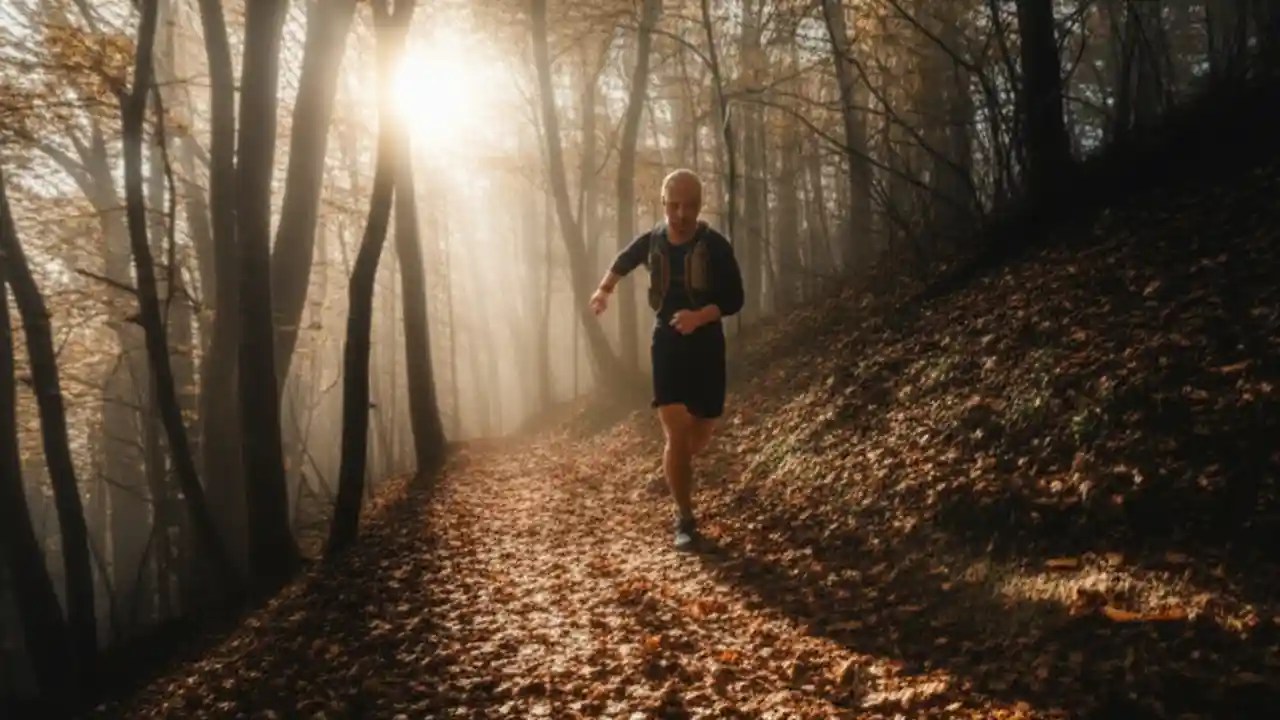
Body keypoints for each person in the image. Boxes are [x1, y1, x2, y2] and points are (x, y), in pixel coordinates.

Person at [589, 169, 744, 550]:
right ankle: (685, 519)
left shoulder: (716, 246)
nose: (680, 213)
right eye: (673, 205)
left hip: (706, 342)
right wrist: (603, 291)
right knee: (675, 429)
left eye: (689, 205)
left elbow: (735, 298)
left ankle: (675, 468)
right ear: (663, 204)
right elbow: (623, 260)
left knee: (703, 426)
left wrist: (698, 317)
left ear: (699, 205)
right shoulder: (653, 240)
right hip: (667, 342)